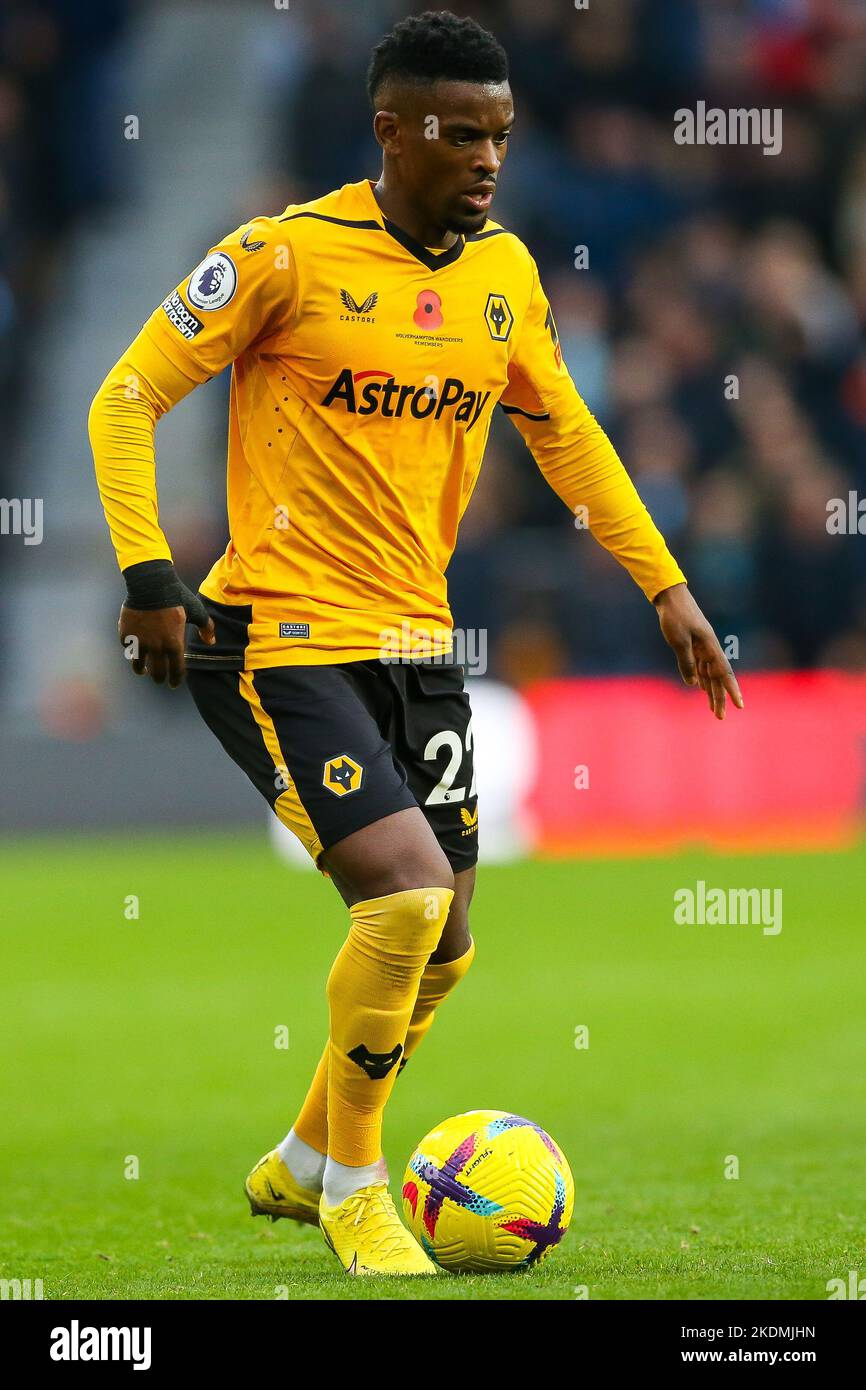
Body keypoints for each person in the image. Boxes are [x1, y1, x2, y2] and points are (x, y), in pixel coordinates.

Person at [88, 9, 742, 1277]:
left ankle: (298, 1154)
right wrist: (145, 574)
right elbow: (126, 397)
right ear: (390, 130)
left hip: (418, 642)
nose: (487, 158)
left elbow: (565, 431)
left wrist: (665, 583)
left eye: (500, 133)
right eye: (458, 133)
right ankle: (354, 1190)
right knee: (403, 895)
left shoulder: (501, 275)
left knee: (446, 945)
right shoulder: (281, 256)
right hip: (274, 637)